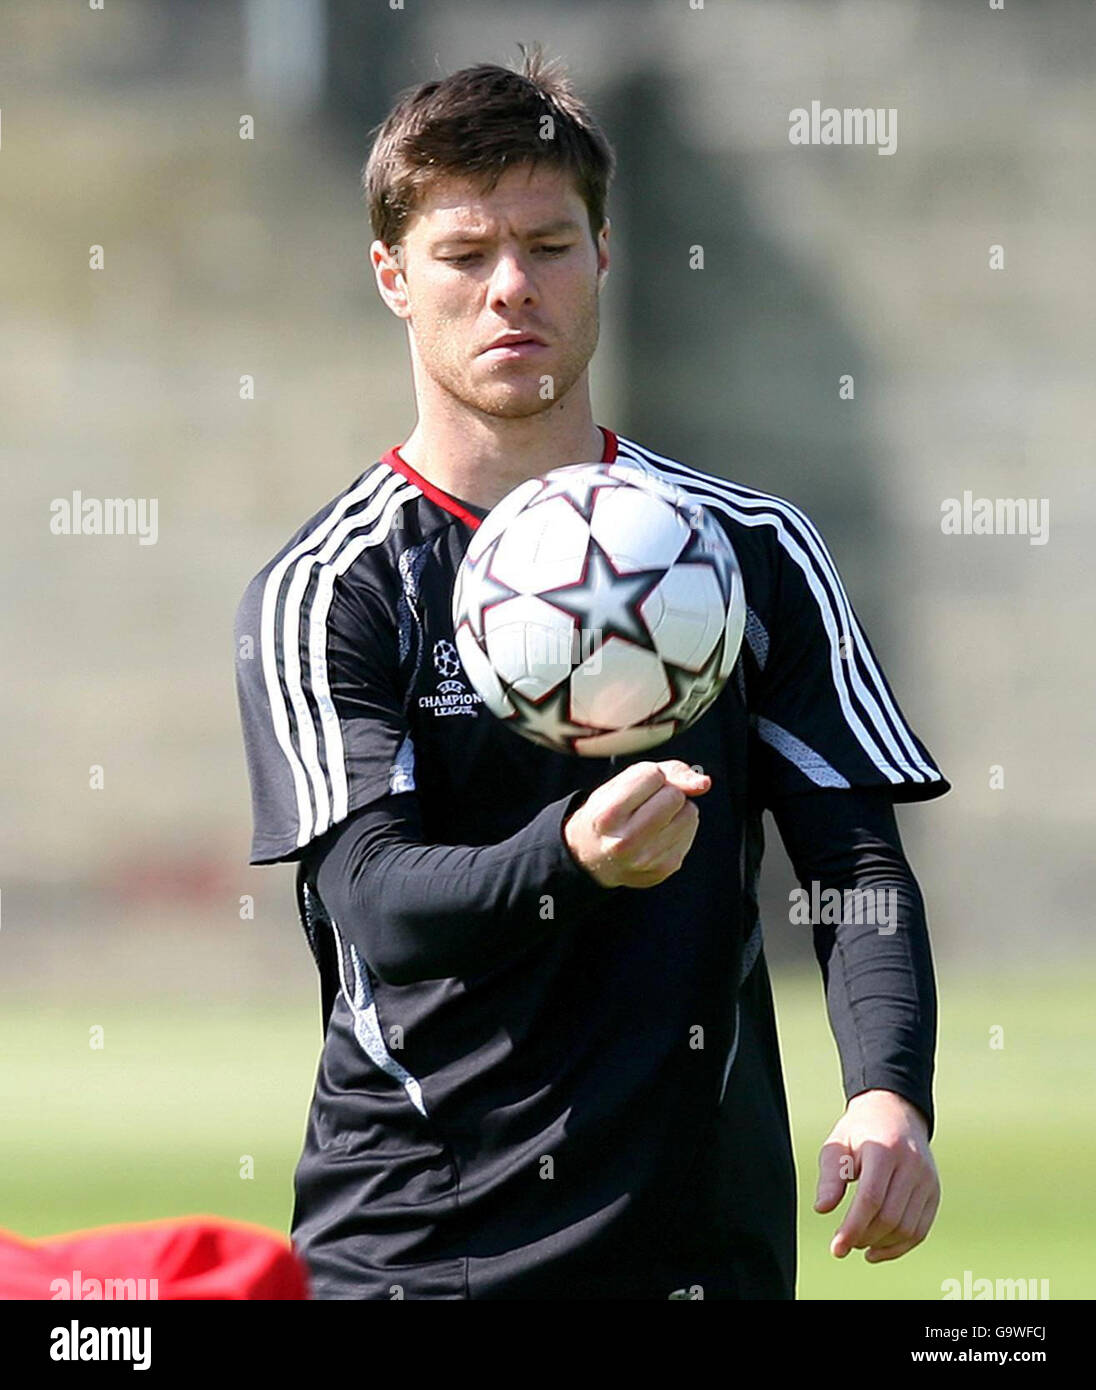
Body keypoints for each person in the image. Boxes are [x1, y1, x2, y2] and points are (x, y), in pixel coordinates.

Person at [233, 46, 949, 1300]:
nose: (511, 287)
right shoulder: (336, 586)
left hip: (702, 1244)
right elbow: (378, 908)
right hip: (426, 1247)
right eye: (465, 254)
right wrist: (568, 858)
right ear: (394, 278)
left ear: (604, 254)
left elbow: (855, 865)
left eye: (549, 244)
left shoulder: (747, 550)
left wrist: (889, 1092)